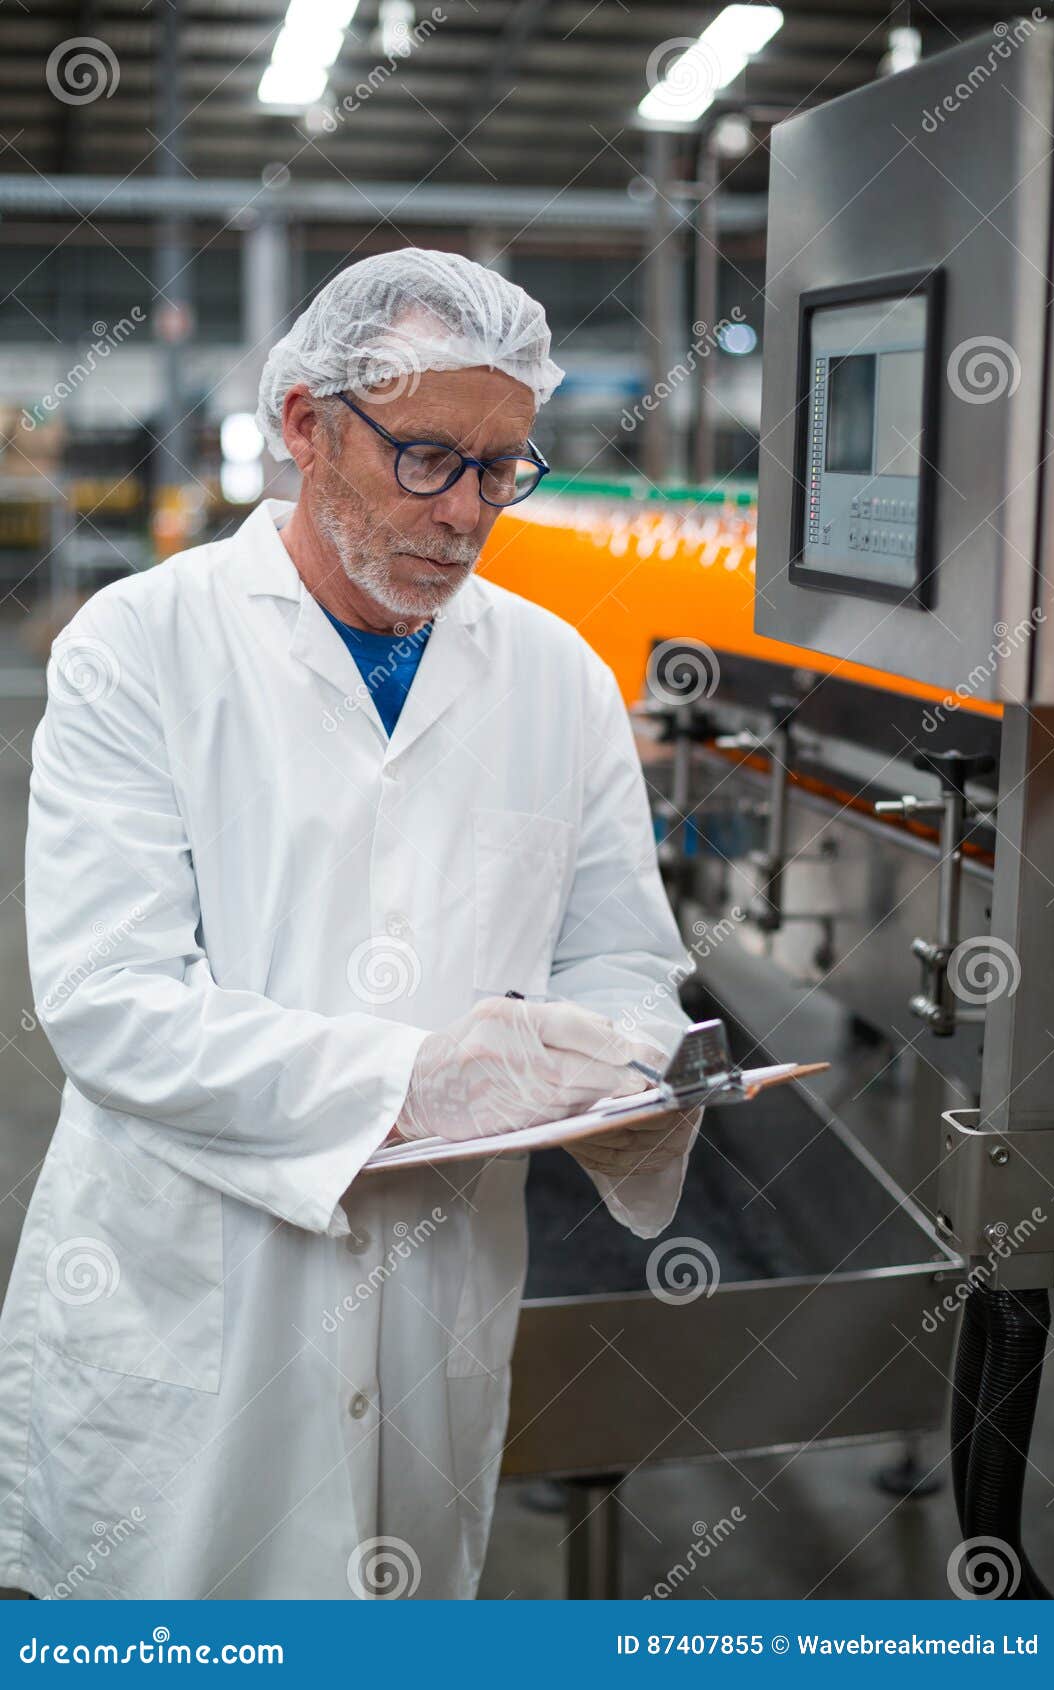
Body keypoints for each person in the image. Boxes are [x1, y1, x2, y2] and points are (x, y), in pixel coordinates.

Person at [0, 249, 698, 1601]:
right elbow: (110, 999)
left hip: (438, 1300)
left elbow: (621, 950)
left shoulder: (556, 675)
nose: (468, 512)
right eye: (428, 458)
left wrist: (629, 1069)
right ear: (308, 426)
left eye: (501, 468)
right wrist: (414, 1083)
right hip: (195, 1303)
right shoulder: (139, 647)